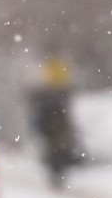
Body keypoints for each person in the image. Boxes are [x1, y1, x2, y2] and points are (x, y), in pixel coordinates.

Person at [30, 55, 79, 187]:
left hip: (53, 129)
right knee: (56, 150)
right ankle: (57, 173)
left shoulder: (49, 95)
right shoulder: (54, 95)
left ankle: (57, 173)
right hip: (53, 129)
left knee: (56, 150)